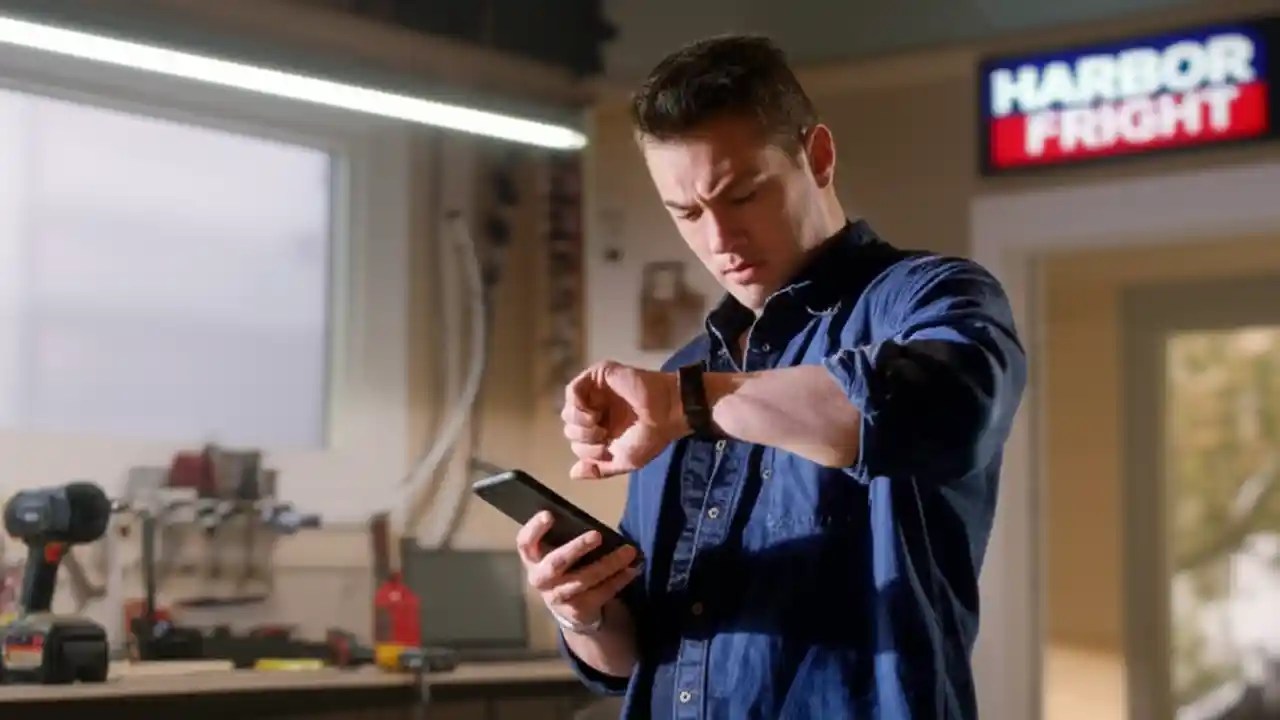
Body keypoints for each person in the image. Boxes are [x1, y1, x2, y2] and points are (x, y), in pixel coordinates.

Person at [515, 34, 1027, 719]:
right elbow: (639, 654)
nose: (719, 240)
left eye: (743, 195)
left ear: (817, 157)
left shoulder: (931, 298)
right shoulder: (682, 379)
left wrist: (692, 404)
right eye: (687, 213)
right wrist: (585, 612)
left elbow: (939, 413)